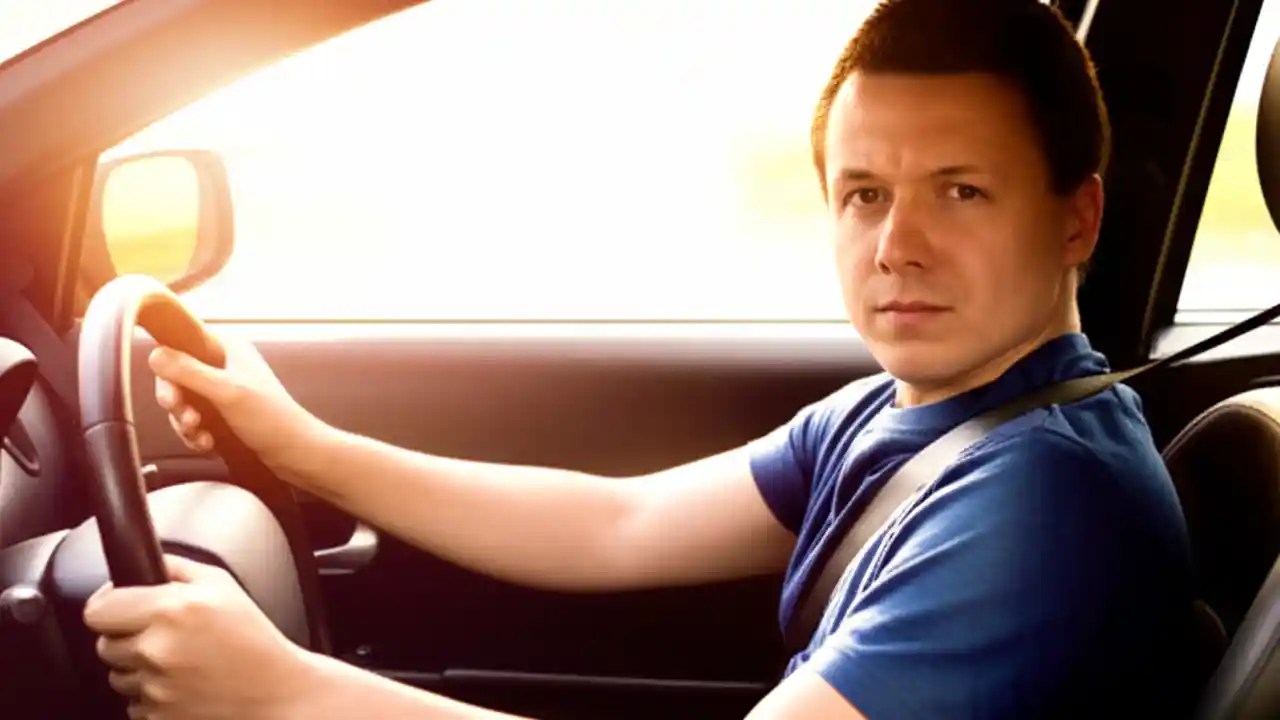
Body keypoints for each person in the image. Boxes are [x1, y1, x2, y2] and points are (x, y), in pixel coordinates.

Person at [82, 0, 1198, 717]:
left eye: (958, 191)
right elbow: (609, 525)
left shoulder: (1044, 501)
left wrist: (282, 695)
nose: (895, 245)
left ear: (1074, 221)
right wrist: (307, 449)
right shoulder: (908, 413)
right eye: (863, 194)